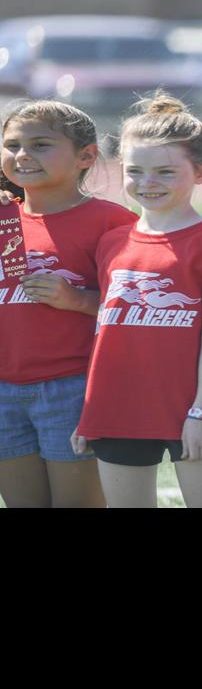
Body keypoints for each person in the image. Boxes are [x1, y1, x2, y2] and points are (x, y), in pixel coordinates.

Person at [73, 94, 202, 508]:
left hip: (193, 407)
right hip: (116, 405)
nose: (147, 183)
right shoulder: (112, 240)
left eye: (165, 172)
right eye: (135, 171)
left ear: (201, 172)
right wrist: (89, 413)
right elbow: (103, 333)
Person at [0, 100, 135, 508]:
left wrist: (74, 299)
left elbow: (136, 310)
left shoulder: (112, 221)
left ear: (86, 156)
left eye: (40, 144)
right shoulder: (5, 216)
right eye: (12, 145)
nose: (23, 155)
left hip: (74, 388)